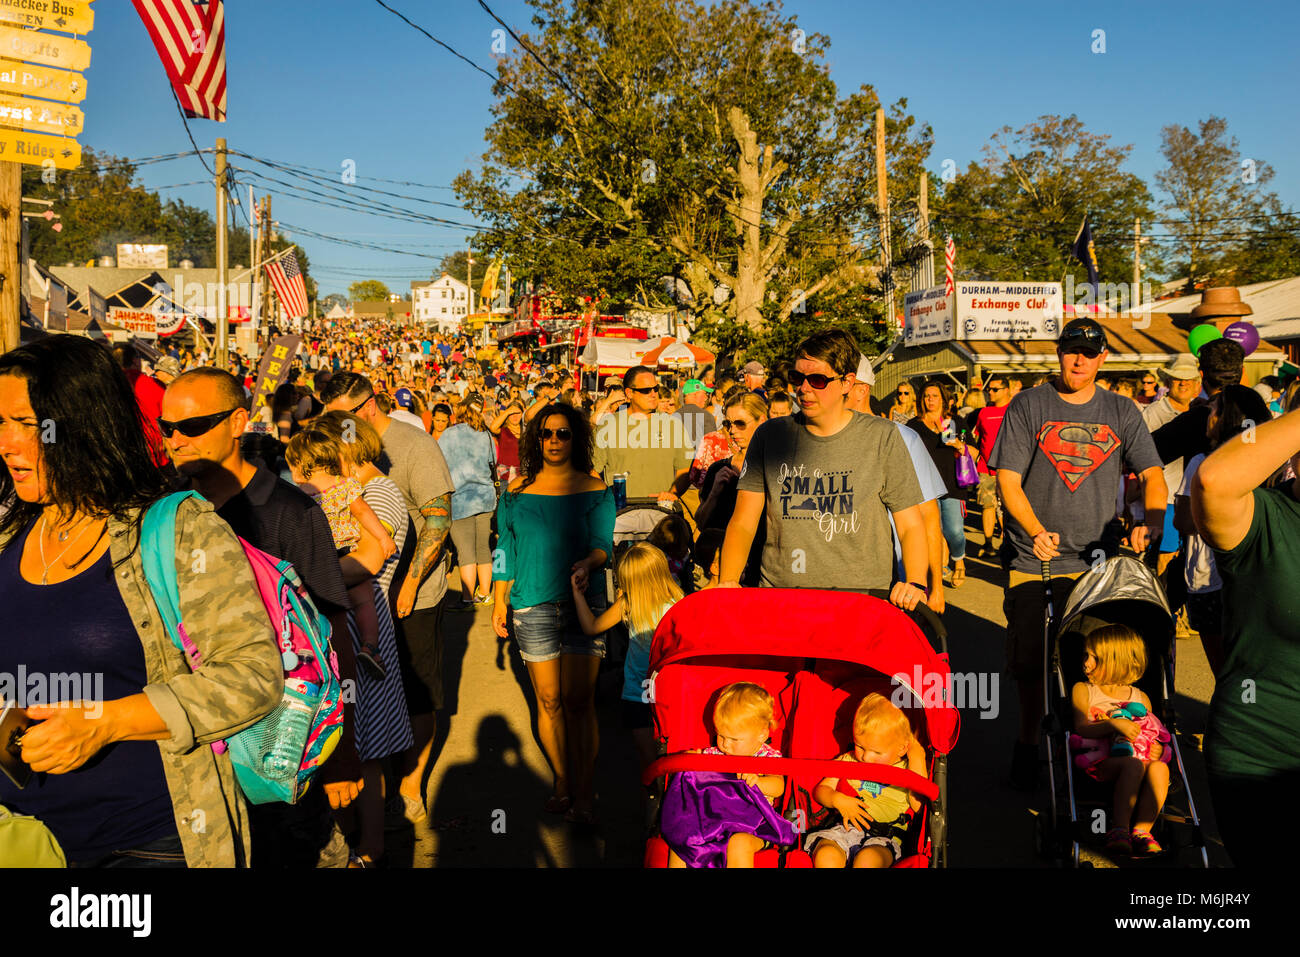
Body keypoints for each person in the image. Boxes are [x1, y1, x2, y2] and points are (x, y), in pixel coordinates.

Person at [0, 336, 281, 868]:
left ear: (80, 423)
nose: (8, 443)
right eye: (0, 424)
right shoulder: (9, 531)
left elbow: (253, 675)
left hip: (146, 843)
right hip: (19, 841)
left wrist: (104, 722)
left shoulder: (175, 528)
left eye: (26, 424)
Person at [162, 367, 361, 868]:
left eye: (193, 426)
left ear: (238, 422)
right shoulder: (164, 509)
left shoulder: (290, 512)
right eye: (166, 428)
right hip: (191, 743)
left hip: (275, 747)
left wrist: (343, 753)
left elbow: (333, 634)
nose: (176, 440)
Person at [992, 318, 1166, 791]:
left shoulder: (1121, 409)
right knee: (1031, 662)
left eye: (1089, 353)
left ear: (1102, 358)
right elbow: (1006, 479)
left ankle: (1091, 751)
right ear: (1059, 352)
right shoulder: (1029, 404)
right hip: (1034, 560)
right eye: (1071, 350)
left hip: (1098, 564)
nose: (1079, 360)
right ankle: (1029, 746)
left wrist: (1154, 520)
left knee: (1090, 662)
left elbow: (1152, 472)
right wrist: (1033, 530)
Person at [320, 372, 454, 829]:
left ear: (368, 407)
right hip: (369, 593)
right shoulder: (346, 448)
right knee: (376, 693)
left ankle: (410, 785)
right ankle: (377, 776)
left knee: (418, 693)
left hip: (414, 589)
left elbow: (438, 516)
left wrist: (413, 582)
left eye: (343, 416)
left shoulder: (415, 446)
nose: (337, 424)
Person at [719, 330, 928, 610]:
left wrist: (915, 582)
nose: (804, 388)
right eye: (797, 378)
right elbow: (743, 520)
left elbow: (910, 524)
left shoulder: (883, 437)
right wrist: (728, 580)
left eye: (817, 379)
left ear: (847, 382)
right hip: (783, 601)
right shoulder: (769, 436)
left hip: (863, 602)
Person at [492, 404, 614, 824]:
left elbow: (604, 544)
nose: (555, 441)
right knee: (549, 700)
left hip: (583, 604)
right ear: (535, 439)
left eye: (563, 433)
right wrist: (497, 599)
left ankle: (585, 788)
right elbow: (504, 548)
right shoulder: (516, 490)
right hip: (530, 604)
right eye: (546, 434)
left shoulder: (595, 487)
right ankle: (563, 781)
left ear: (576, 438)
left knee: (580, 701)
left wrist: (588, 563)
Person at [309, 411, 416, 868]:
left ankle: (370, 849)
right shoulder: (356, 492)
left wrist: (305, 572)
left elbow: (374, 557)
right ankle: (357, 841)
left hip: (363, 632)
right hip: (353, 627)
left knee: (365, 751)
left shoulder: (379, 493)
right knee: (350, 748)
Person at [1174, 386, 1272, 677]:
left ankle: (1229, 718)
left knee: (1223, 669)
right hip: (1256, 574)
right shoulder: (1266, 461)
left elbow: (1184, 522)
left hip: (1208, 578)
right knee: (1254, 666)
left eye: (1213, 411)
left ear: (1227, 416)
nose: (1208, 417)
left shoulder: (1202, 464)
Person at [285, 429, 395, 679]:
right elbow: (363, 513)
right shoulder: (344, 486)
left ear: (301, 465)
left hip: (318, 557)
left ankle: (328, 655)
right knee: (364, 600)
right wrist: (382, 537)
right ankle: (370, 646)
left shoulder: (298, 495)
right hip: (346, 551)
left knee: (332, 614)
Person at [571, 542, 682, 775]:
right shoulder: (670, 606)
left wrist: (577, 595)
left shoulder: (638, 604)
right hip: (659, 693)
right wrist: (578, 596)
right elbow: (592, 627)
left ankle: (655, 806)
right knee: (665, 764)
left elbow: (592, 627)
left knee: (650, 765)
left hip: (645, 694)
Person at [1070, 625, 1171, 856]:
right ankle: (1119, 829)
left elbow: (1149, 731)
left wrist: (1156, 748)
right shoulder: (1084, 690)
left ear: (1115, 661)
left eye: (1092, 657)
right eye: (1086, 655)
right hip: (1102, 761)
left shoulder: (1141, 697)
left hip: (1138, 758)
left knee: (1160, 769)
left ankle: (1142, 831)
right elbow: (1080, 727)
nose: (1085, 662)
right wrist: (1112, 724)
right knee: (1133, 765)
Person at [667, 682, 785, 869]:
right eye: (720, 735)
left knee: (738, 845)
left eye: (734, 739)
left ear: (762, 734)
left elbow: (779, 787)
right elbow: (689, 768)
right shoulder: (715, 754)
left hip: (756, 827)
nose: (725, 744)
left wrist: (759, 781)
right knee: (681, 841)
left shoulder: (767, 757)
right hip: (714, 823)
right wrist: (690, 759)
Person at [806, 694, 927, 869]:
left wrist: (917, 755)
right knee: (826, 855)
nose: (866, 757)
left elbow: (919, 807)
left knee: (868, 861)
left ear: (902, 748)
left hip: (884, 839)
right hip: (844, 830)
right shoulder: (849, 760)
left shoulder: (907, 771)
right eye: (860, 746)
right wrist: (837, 799)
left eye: (877, 752)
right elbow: (821, 790)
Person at [1141, 355, 1203, 583]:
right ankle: (1166, 605)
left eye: (1189, 379)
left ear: (1198, 383)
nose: (1183, 383)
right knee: (1166, 554)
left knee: (1194, 555)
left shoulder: (1206, 411)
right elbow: (1141, 459)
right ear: (1168, 381)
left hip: (1197, 498)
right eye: (1178, 379)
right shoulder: (1152, 413)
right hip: (1166, 498)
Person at [696, 392, 768, 587]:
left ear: (761, 420)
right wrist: (715, 492)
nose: (733, 430)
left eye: (740, 423)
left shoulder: (776, 468)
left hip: (762, 567)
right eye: (728, 424)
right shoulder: (719, 469)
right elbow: (701, 522)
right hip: (722, 570)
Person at [594, 365, 693, 501]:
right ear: (629, 393)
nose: (653, 394)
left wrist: (672, 493)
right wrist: (604, 497)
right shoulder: (608, 425)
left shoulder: (672, 424)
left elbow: (685, 468)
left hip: (660, 511)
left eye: (656, 389)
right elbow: (590, 469)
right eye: (646, 390)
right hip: (620, 513)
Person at [437, 398, 498, 608]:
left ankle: (467, 597)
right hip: (484, 498)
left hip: (460, 498)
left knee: (465, 551)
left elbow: (439, 462)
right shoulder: (486, 435)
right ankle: (484, 593)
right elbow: (494, 461)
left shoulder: (449, 435)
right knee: (483, 547)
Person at [908, 380, 968, 587]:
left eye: (934, 396)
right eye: (926, 396)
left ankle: (959, 559)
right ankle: (941, 567)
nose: (930, 400)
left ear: (943, 399)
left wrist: (958, 444)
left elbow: (975, 454)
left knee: (953, 531)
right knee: (933, 531)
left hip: (953, 485)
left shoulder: (955, 422)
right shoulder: (913, 425)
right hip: (925, 487)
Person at [972, 377, 1011, 559]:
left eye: (995, 389)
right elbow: (976, 436)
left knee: (1010, 508)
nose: (991, 392)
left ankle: (1009, 544)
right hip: (986, 468)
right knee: (987, 506)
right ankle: (988, 544)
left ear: (1006, 390)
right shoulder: (984, 413)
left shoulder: (1014, 409)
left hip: (1010, 468)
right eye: (989, 390)